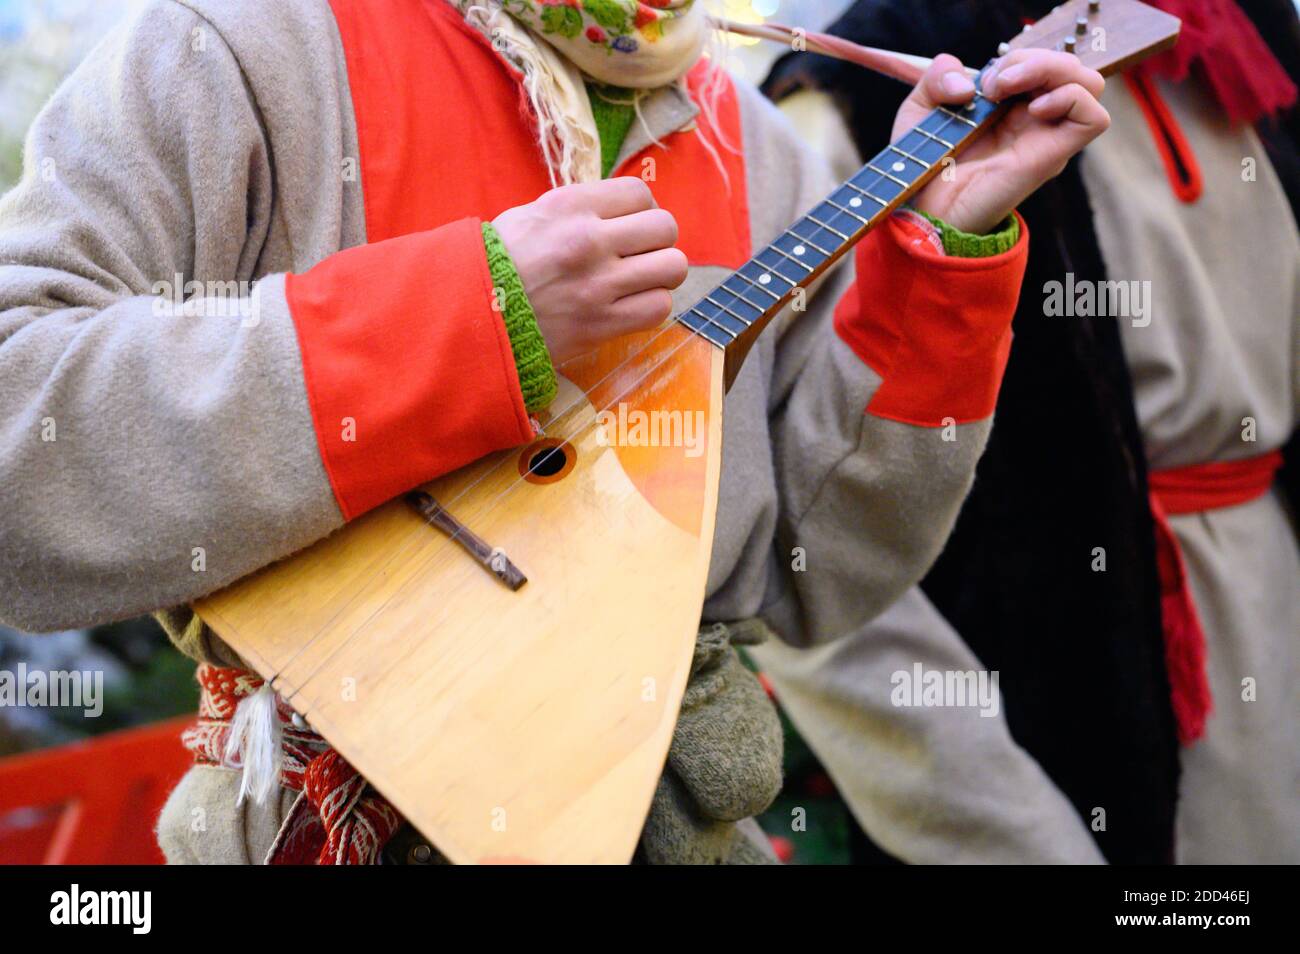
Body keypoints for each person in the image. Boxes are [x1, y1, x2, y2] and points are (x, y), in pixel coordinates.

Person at [0, 0, 1109, 864]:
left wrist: (937, 251)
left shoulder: (757, 144)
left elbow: (813, 577)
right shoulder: (240, 45)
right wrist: (469, 316)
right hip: (324, 830)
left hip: (682, 825)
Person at [755, 0, 1300, 864]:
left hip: (1271, 615)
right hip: (1040, 682)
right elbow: (796, 558)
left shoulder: (1243, 40)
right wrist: (1009, 839)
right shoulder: (866, 82)